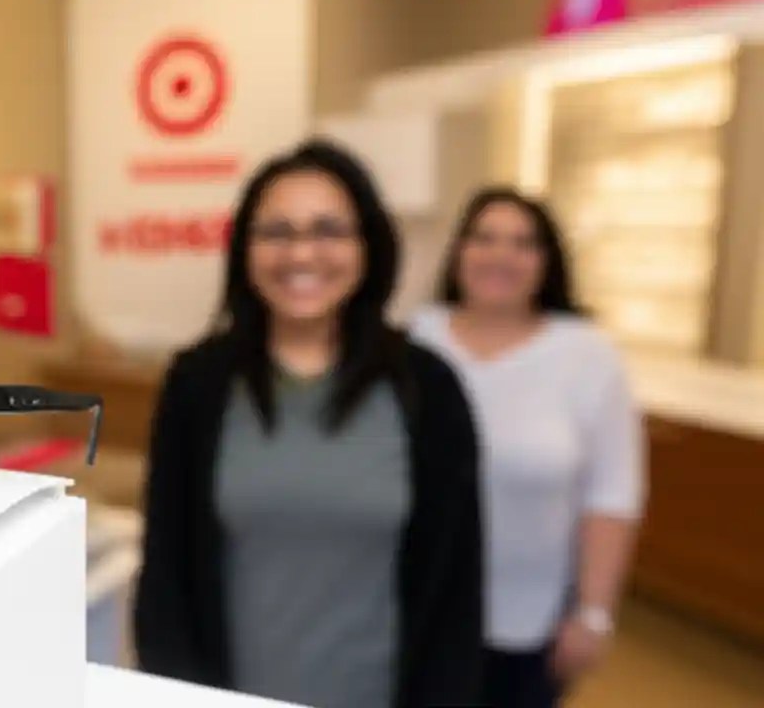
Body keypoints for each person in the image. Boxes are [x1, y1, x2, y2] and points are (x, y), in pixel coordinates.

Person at [133, 139, 484, 708]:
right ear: (244, 249)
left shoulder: (429, 388)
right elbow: (166, 581)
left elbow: (455, 600)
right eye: (276, 232)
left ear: (368, 245)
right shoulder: (198, 383)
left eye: (329, 230)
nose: (302, 254)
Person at [410, 187, 645, 708]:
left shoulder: (586, 354)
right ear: (459, 252)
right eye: (484, 238)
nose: (501, 256)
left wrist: (594, 613)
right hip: (418, 615)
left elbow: (612, 494)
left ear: (547, 262)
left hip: (531, 628)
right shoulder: (415, 341)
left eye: (524, 243)